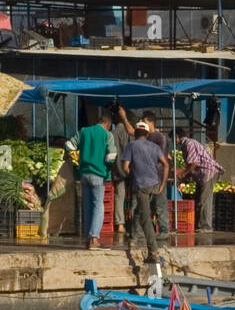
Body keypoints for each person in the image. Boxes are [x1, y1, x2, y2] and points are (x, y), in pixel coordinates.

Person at [121, 125, 168, 263]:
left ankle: (153, 251)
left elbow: (125, 167)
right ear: (147, 134)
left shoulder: (131, 146)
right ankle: (133, 240)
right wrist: (163, 184)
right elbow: (166, 164)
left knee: (145, 218)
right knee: (139, 211)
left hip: (141, 186)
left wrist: (133, 176)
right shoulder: (154, 147)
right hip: (155, 184)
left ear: (135, 133)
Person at [69, 107, 112, 248]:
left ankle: (88, 238)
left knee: (87, 206)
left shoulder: (84, 131)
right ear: (108, 124)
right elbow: (111, 156)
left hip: (84, 174)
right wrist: (107, 166)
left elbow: (69, 145)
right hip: (98, 174)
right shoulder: (107, 135)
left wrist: (75, 159)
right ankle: (94, 238)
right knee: (98, 206)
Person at [176, 134, 223, 233]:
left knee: (204, 200)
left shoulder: (189, 144)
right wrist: (185, 177)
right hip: (201, 175)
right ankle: (199, 224)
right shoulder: (186, 145)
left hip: (208, 173)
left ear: (177, 136)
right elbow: (192, 165)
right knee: (198, 199)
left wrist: (183, 174)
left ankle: (205, 227)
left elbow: (194, 163)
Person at [140, 112, 170, 241]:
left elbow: (161, 160)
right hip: (146, 179)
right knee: (148, 206)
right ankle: (150, 230)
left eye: (143, 122)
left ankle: (164, 230)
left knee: (160, 205)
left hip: (157, 177)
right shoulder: (145, 137)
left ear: (149, 121)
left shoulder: (159, 137)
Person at [110, 105, 135, 234]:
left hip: (118, 170)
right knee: (134, 196)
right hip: (132, 169)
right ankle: (134, 221)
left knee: (120, 196)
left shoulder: (112, 134)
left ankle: (120, 224)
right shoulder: (131, 133)